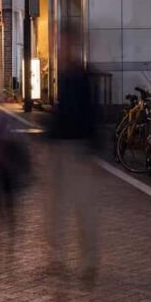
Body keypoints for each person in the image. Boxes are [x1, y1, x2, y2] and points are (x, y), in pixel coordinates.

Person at [46, 53, 99, 287]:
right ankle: (61, 259)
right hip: (66, 150)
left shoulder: (77, 76)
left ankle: (86, 262)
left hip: (75, 150)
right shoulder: (71, 75)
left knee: (78, 209)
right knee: (60, 209)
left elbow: (83, 114)